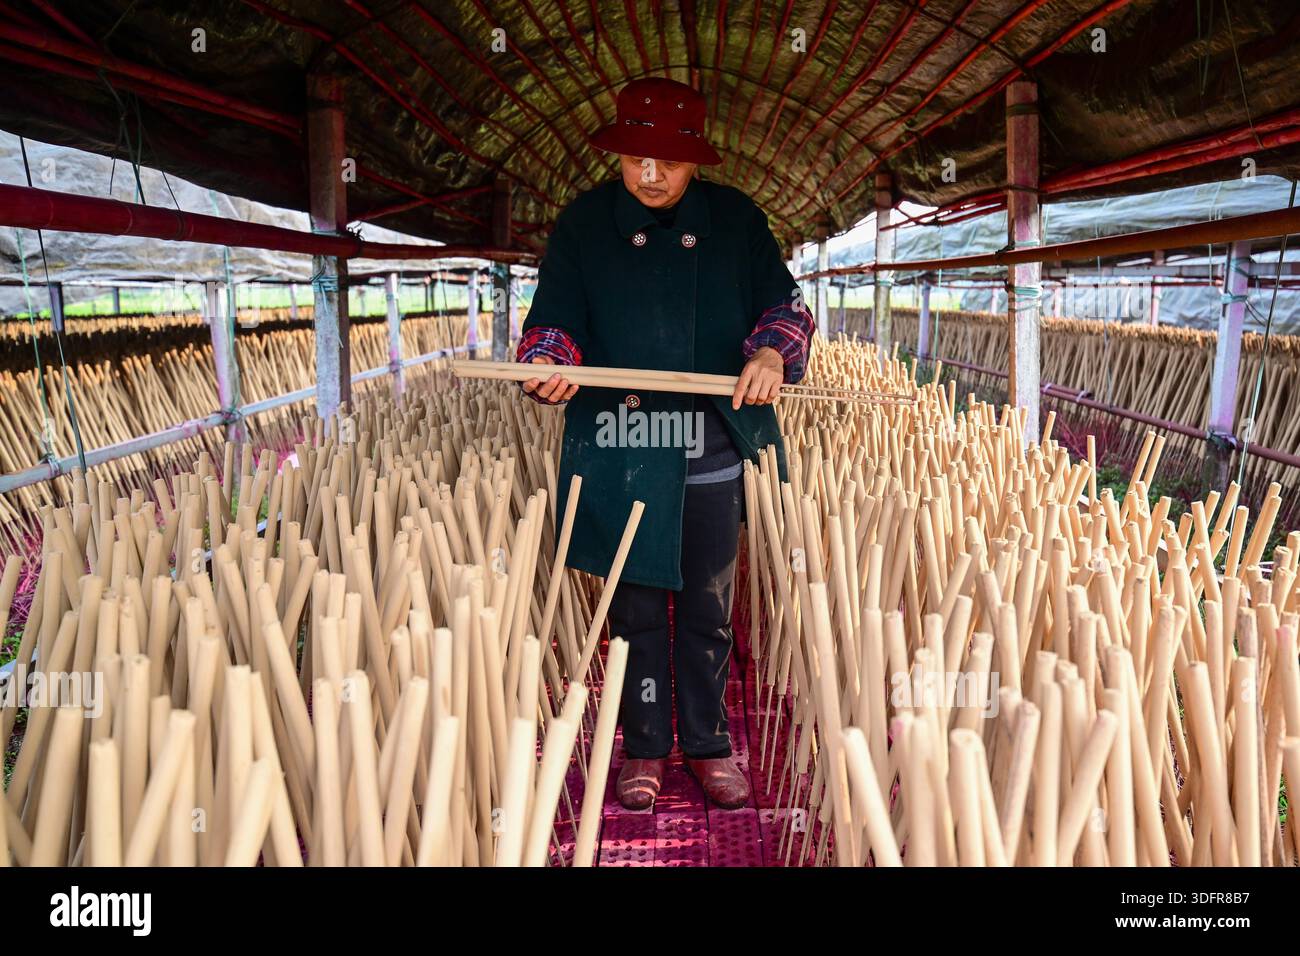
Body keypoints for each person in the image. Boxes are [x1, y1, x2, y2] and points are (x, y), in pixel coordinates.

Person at [517, 77, 813, 811]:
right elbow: (550, 322)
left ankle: (708, 744)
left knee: (710, 606)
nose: (649, 176)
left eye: (668, 162)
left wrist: (771, 355)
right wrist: (549, 363)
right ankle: (646, 745)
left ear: (695, 163)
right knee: (636, 607)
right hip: (621, 437)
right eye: (635, 158)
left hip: (708, 435)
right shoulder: (583, 226)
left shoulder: (736, 220)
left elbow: (785, 308)